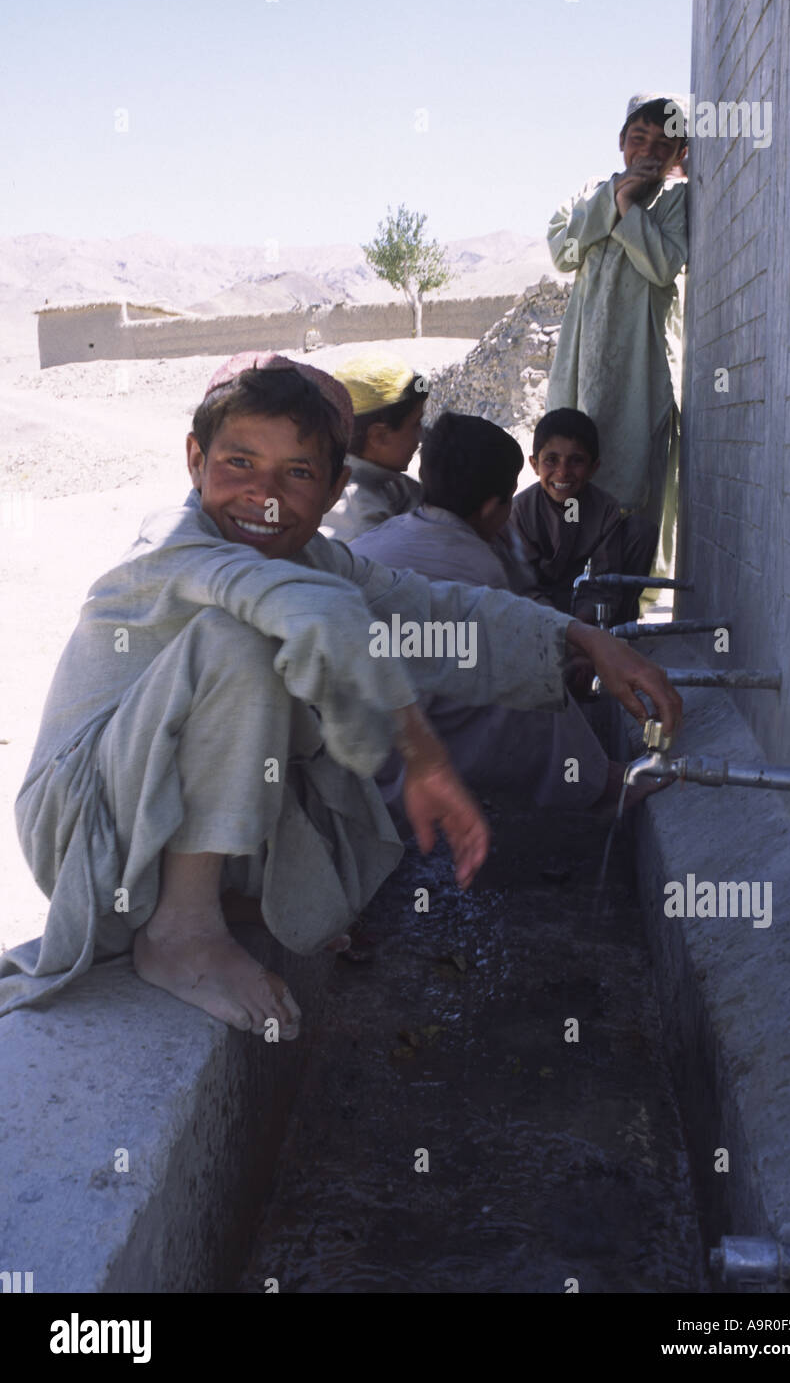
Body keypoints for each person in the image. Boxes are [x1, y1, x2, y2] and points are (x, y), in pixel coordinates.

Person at [1, 354, 681, 1035]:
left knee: (345, 799)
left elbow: (424, 611)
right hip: (84, 827)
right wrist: (422, 753)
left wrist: (581, 639)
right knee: (239, 643)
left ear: (334, 489)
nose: (264, 496)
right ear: (195, 460)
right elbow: (316, 616)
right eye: (239, 463)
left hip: (148, 823)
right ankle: (181, 933)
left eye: (296, 473)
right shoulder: (175, 543)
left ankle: (234, 897)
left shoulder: (308, 556)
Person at [351, 411, 671, 825]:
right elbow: (514, 638)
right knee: (533, 684)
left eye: (576, 461)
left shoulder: (396, 532)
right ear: (492, 507)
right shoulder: (473, 560)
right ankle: (597, 786)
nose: (563, 473)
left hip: (349, 725)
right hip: (383, 754)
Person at [545, 94, 688, 578]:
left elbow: (664, 265)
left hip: (639, 363)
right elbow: (562, 251)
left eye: (663, 145)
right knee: (571, 466)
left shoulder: (675, 200)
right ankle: (568, 580)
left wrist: (629, 208)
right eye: (638, 138)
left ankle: (627, 594)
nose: (648, 151)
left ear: (680, 155)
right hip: (581, 359)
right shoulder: (589, 192)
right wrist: (612, 198)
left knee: (633, 473)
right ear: (621, 141)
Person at [510, 407, 658, 624]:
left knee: (641, 531)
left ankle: (615, 630)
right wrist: (559, 627)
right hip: (538, 610)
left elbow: (604, 581)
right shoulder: (520, 510)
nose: (563, 472)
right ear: (534, 465)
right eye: (551, 460)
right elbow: (521, 585)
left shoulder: (605, 509)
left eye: (576, 460)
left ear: (593, 467)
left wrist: (582, 626)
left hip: (590, 607)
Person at [318, 351, 425, 540]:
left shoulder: (391, 483)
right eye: (415, 424)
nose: (421, 435)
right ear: (379, 436)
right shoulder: (362, 519)